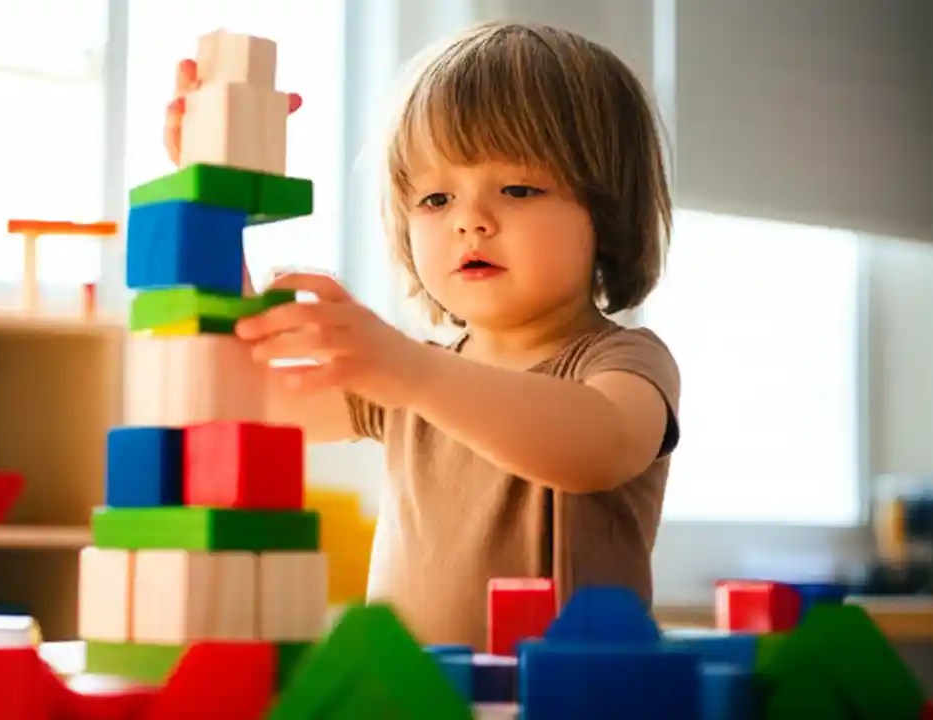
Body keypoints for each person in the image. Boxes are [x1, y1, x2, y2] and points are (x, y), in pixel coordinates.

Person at [162, 21, 680, 651]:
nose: (471, 221)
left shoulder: (621, 359)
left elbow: (598, 446)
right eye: (435, 199)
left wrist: (412, 374)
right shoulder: (406, 379)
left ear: (607, 212)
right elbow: (246, 394)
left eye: (517, 189)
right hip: (411, 694)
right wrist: (207, 197)